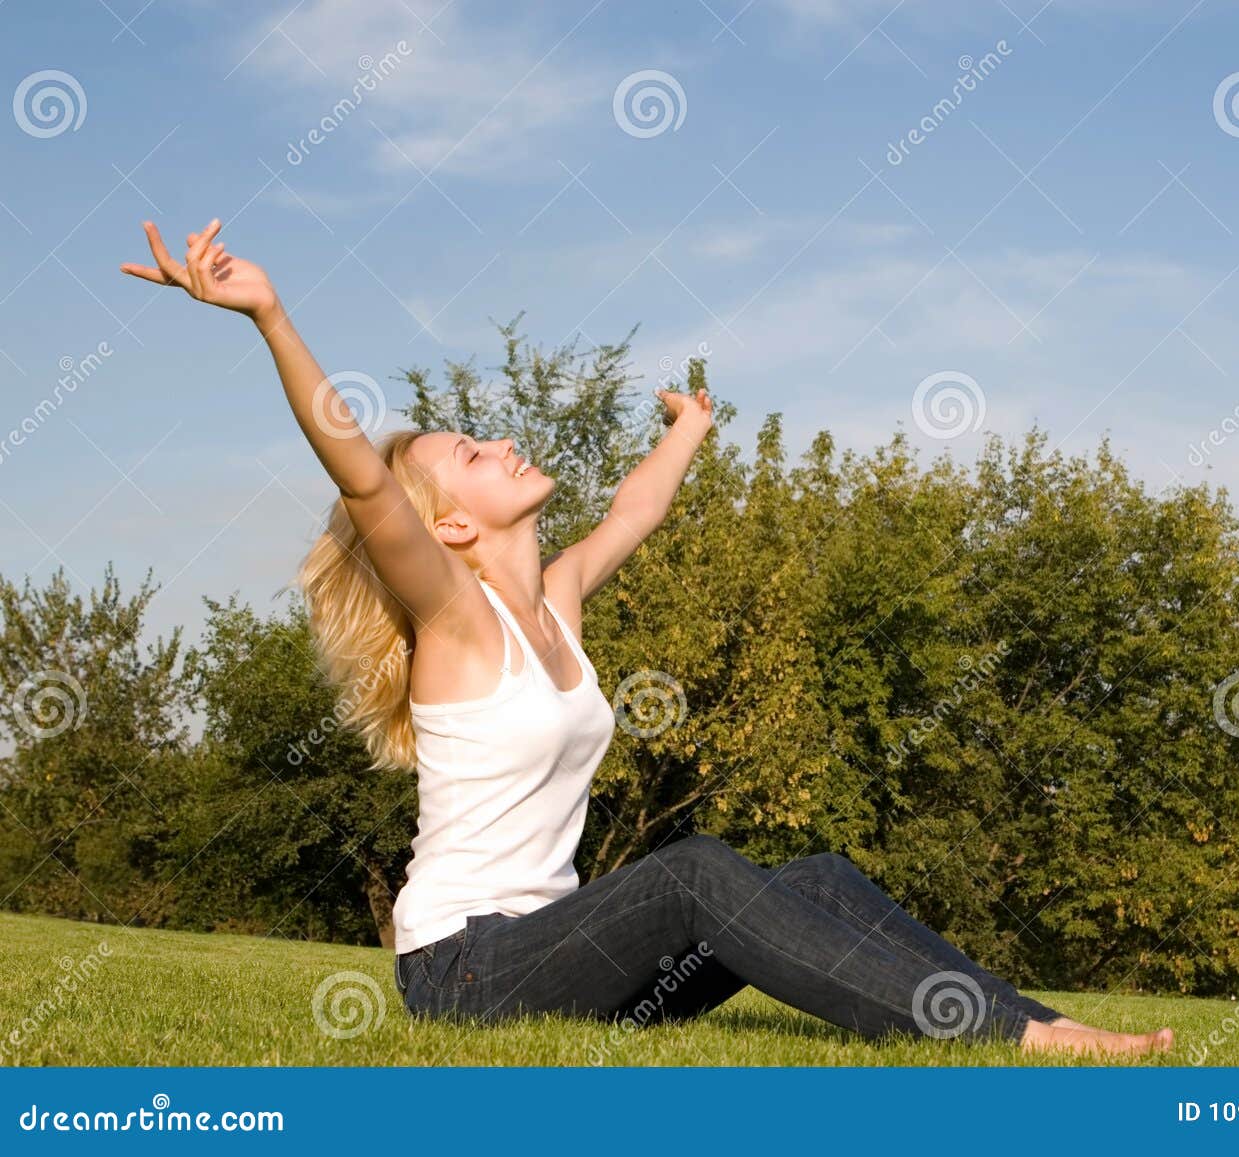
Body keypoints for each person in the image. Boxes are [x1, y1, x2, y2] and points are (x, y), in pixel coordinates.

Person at [121, 217, 1175, 1059]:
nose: (503, 441)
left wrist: (690, 428)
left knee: (819, 874)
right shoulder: (453, 617)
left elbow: (632, 514)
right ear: (447, 525)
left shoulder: (558, 601)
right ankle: (1024, 1040)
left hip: (569, 975)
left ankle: (1032, 1019)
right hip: (467, 974)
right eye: (475, 453)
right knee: (692, 869)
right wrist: (268, 314)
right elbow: (358, 471)